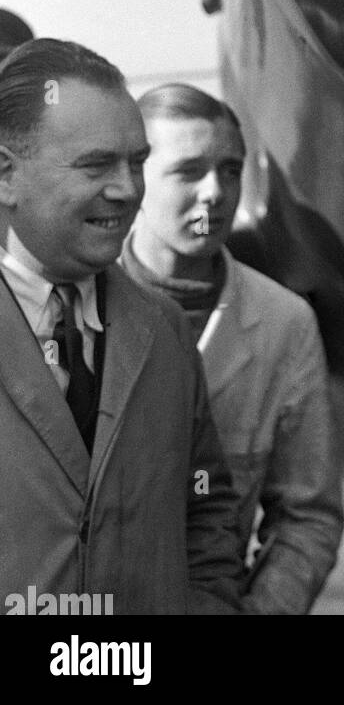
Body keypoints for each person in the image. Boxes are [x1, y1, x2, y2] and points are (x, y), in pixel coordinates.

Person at [0, 39, 244, 614]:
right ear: (5, 176)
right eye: (96, 164)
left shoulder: (162, 327)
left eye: (137, 162)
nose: (129, 189)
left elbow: (206, 509)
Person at [121, 83, 344, 615]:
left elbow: (308, 515)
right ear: (133, 179)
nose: (215, 192)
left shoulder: (284, 324)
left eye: (230, 169)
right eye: (188, 170)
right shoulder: (76, 304)